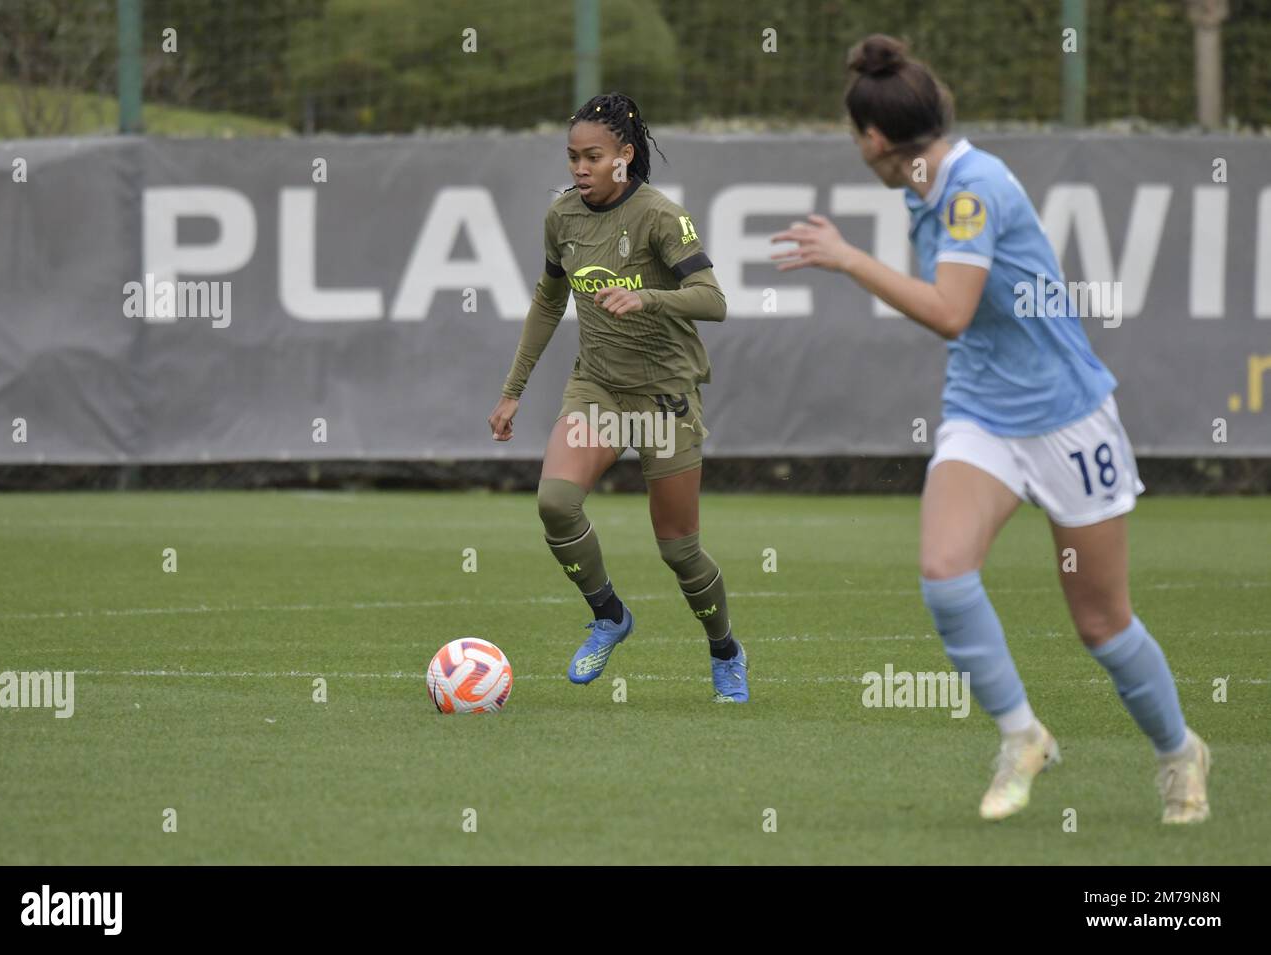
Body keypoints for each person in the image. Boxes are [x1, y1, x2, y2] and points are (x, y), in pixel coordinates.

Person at [771, 35, 1210, 822]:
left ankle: (1180, 751)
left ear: (872, 139)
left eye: (852, 129)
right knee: (945, 571)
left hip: (1070, 420)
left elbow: (951, 312)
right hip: (983, 416)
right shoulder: (922, 183)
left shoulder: (972, 188)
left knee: (1103, 625)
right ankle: (1022, 735)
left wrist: (846, 259)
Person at [488, 92, 748, 702]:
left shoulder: (661, 216)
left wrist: (648, 297)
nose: (580, 168)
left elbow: (713, 300)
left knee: (680, 552)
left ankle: (725, 649)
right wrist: (512, 391)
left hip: (663, 402)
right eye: (573, 156)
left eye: (593, 156)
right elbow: (549, 301)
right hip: (598, 390)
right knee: (555, 502)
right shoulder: (563, 219)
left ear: (625, 157)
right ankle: (609, 615)